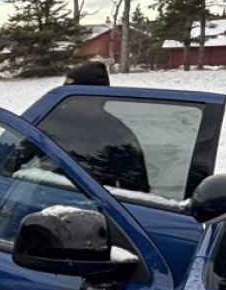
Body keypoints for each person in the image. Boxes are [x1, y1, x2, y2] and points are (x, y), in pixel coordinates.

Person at [40, 60, 150, 193]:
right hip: (44, 196)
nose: (69, 102)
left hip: (92, 205)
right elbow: (16, 155)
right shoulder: (50, 121)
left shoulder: (117, 133)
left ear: (97, 97)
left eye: (76, 95)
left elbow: (135, 192)